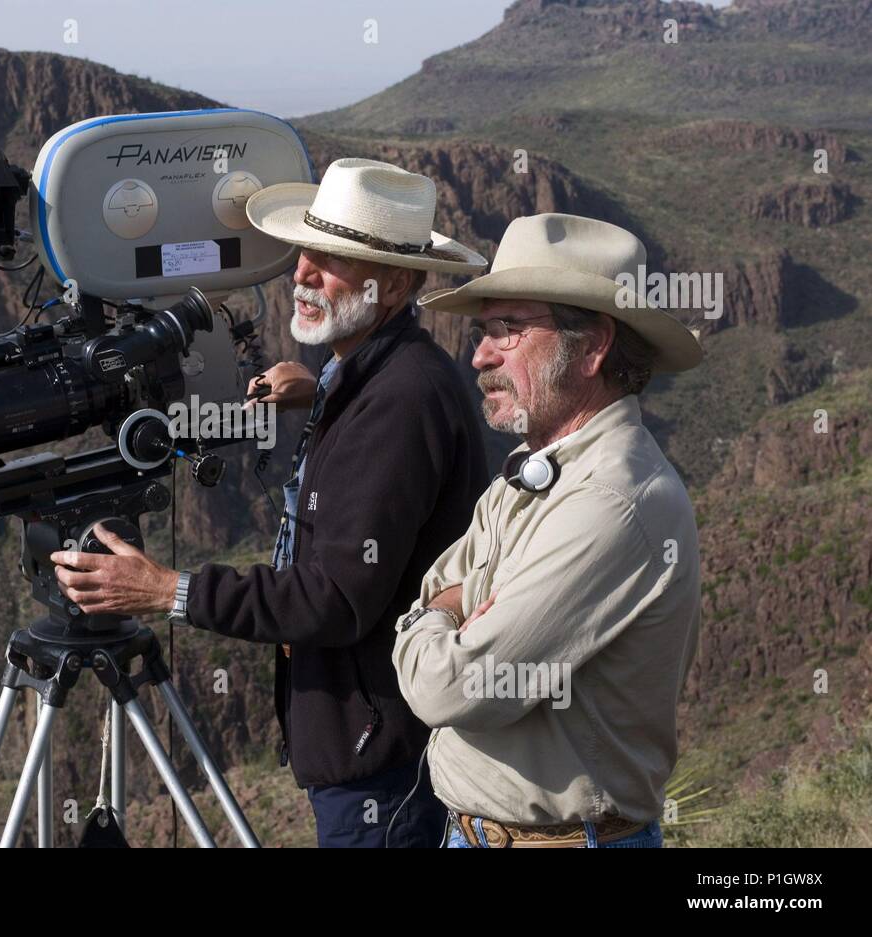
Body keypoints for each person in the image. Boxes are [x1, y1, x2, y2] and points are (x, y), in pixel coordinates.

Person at [48, 158, 489, 846]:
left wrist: (168, 590)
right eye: (304, 250)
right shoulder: (378, 377)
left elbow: (333, 599)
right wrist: (322, 397)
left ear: (397, 283)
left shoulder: (401, 400)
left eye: (333, 260)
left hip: (381, 767)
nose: (303, 274)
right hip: (371, 745)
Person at [393, 212, 704, 848]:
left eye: (509, 329)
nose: (479, 354)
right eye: (484, 330)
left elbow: (450, 687)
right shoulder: (536, 471)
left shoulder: (611, 503)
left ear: (592, 347)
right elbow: (441, 582)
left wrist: (431, 616)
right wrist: (453, 605)